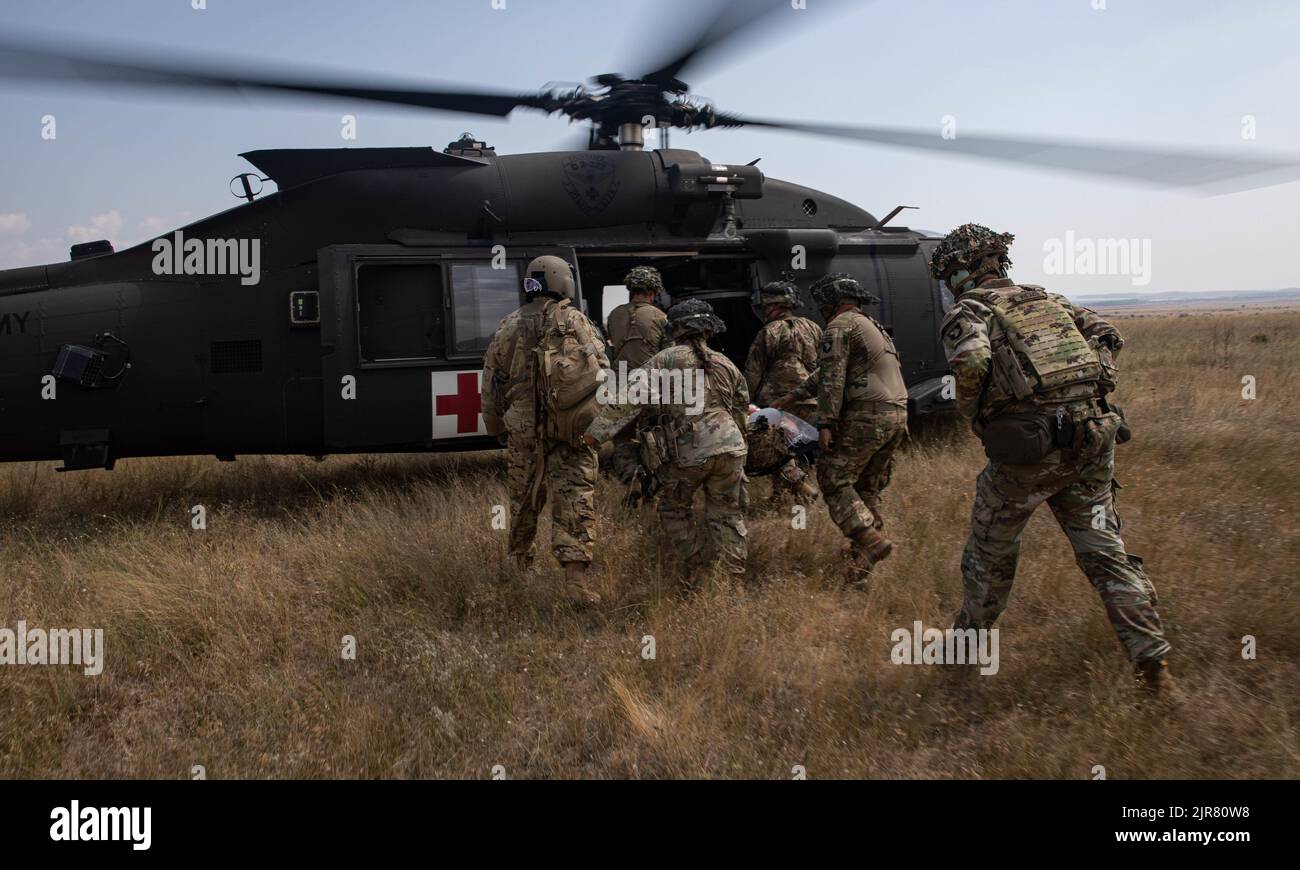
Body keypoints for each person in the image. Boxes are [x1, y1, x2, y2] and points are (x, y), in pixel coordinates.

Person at [932, 222, 1172, 693]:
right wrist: (1096, 387)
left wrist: (977, 417)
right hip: (1092, 443)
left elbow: (973, 362)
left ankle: (961, 661)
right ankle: (1153, 667)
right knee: (1106, 555)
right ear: (1000, 260)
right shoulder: (1050, 299)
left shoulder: (971, 309)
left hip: (1028, 454)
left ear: (959, 271)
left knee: (988, 556)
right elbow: (1109, 335)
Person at [584, 299, 749, 586]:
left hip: (690, 452)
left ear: (674, 330)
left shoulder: (665, 360)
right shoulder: (726, 363)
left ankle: (696, 570)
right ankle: (732, 582)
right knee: (726, 514)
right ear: (707, 331)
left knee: (674, 509)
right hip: (731, 448)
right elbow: (741, 410)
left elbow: (628, 400)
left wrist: (595, 433)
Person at [480, 255, 607, 606]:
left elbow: (491, 381)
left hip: (522, 431)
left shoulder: (508, 324)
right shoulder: (576, 320)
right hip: (569, 427)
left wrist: (494, 424)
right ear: (563, 280)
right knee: (575, 495)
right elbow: (602, 368)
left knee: (523, 500)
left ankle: (520, 567)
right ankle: (576, 581)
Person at [777, 273, 908, 578]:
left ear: (831, 302)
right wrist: (793, 397)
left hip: (867, 414)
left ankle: (869, 539)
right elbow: (826, 374)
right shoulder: (869, 326)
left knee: (833, 478)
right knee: (865, 486)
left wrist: (826, 423)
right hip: (897, 416)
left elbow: (833, 377)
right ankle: (859, 565)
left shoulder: (839, 326)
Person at [743, 279, 822, 505]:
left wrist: (745, 402)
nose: (765, 310)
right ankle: (781, 499)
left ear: (774, 306)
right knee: (797, 450)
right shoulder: (813, 327)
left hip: (779, 404)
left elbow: (753, 372)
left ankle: (803, 491)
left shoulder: (768, 332)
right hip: (810, 401)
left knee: (778, 451)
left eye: (767, 306)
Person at [604, 266, 670, 504]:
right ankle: (654, 488)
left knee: (623, 438)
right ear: (653, 292)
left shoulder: (614, 315)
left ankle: (633, 477)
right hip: (650, 386)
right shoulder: (661, 318)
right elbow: (668, 356)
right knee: (654, 437)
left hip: (620, 385)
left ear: (631, 290)